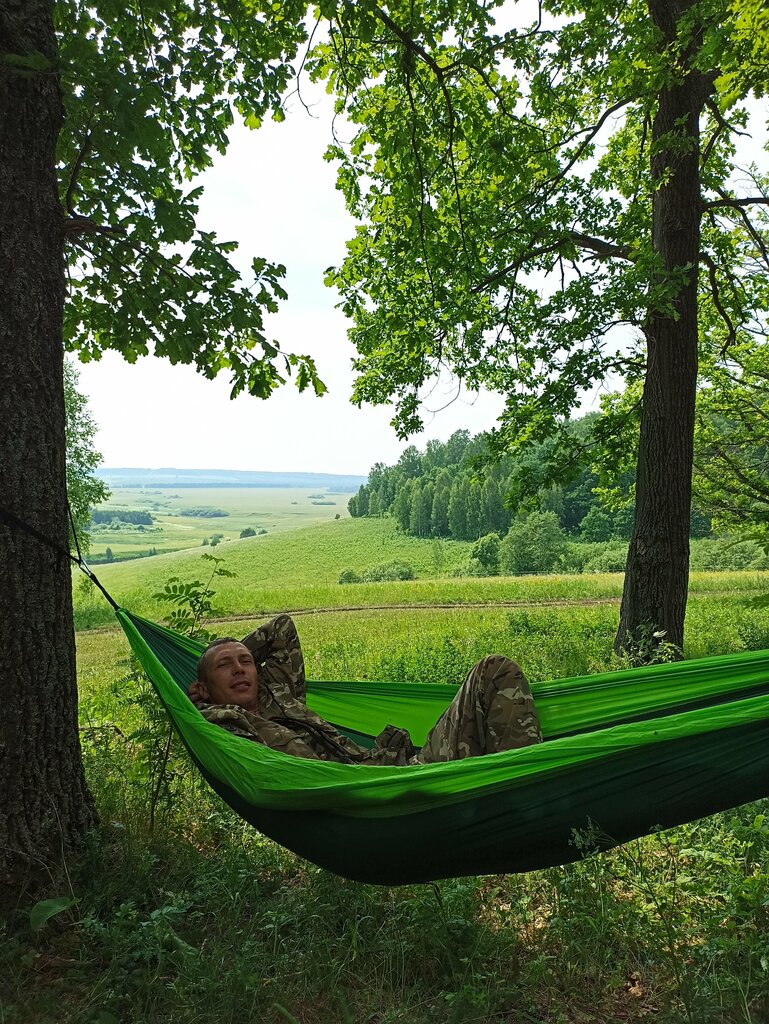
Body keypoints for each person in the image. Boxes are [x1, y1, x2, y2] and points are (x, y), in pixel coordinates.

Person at [188, 614, 543, 766]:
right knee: (494, 670)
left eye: (246, 661)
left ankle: (515, 777)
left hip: (398, 767)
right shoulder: (225, 723)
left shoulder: (280, 693)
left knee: (494, 671)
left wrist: (235, 651)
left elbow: (282, 629)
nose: (238, 669)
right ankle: (524, 783)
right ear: (205, 687)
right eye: (224, 666)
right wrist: (203, 697)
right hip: (379, 792)